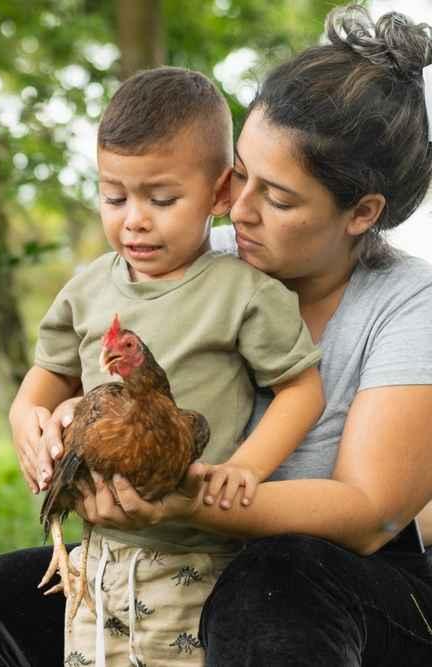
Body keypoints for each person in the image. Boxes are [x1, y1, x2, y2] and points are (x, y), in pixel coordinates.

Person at [0, 5, 432, 666]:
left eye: (278, 198)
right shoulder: (187, 260)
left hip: (344, 588)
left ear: (361, 213)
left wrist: (179, 500)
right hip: (179, 559)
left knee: (273, 583)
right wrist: (51, 422)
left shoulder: (409, 304)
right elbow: (74, 371)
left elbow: (369, 515)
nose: (238, 208)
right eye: (238, 175)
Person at [16, 66, 323, 667]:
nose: (135, 219)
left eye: (162, 200)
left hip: (198, 552)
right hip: (97, 550)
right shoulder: (86, 288)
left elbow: (301, 389)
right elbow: (49, 372)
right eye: (114, 197)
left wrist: (245, 468)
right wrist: (26, 415)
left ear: (220, 193)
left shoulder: (244, 293)